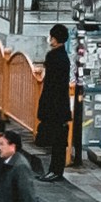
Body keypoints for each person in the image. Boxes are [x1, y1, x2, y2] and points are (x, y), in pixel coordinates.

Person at [35, 24, 77, 176]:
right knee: (59, 140)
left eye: (51, 37)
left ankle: (54, 171)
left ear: (55, 38)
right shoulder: (64, 57)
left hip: (53, 104)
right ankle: (56, 170)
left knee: (55, 140)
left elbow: (50, 84)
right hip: (61, 104)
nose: (50, 40)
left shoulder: (53, 57)